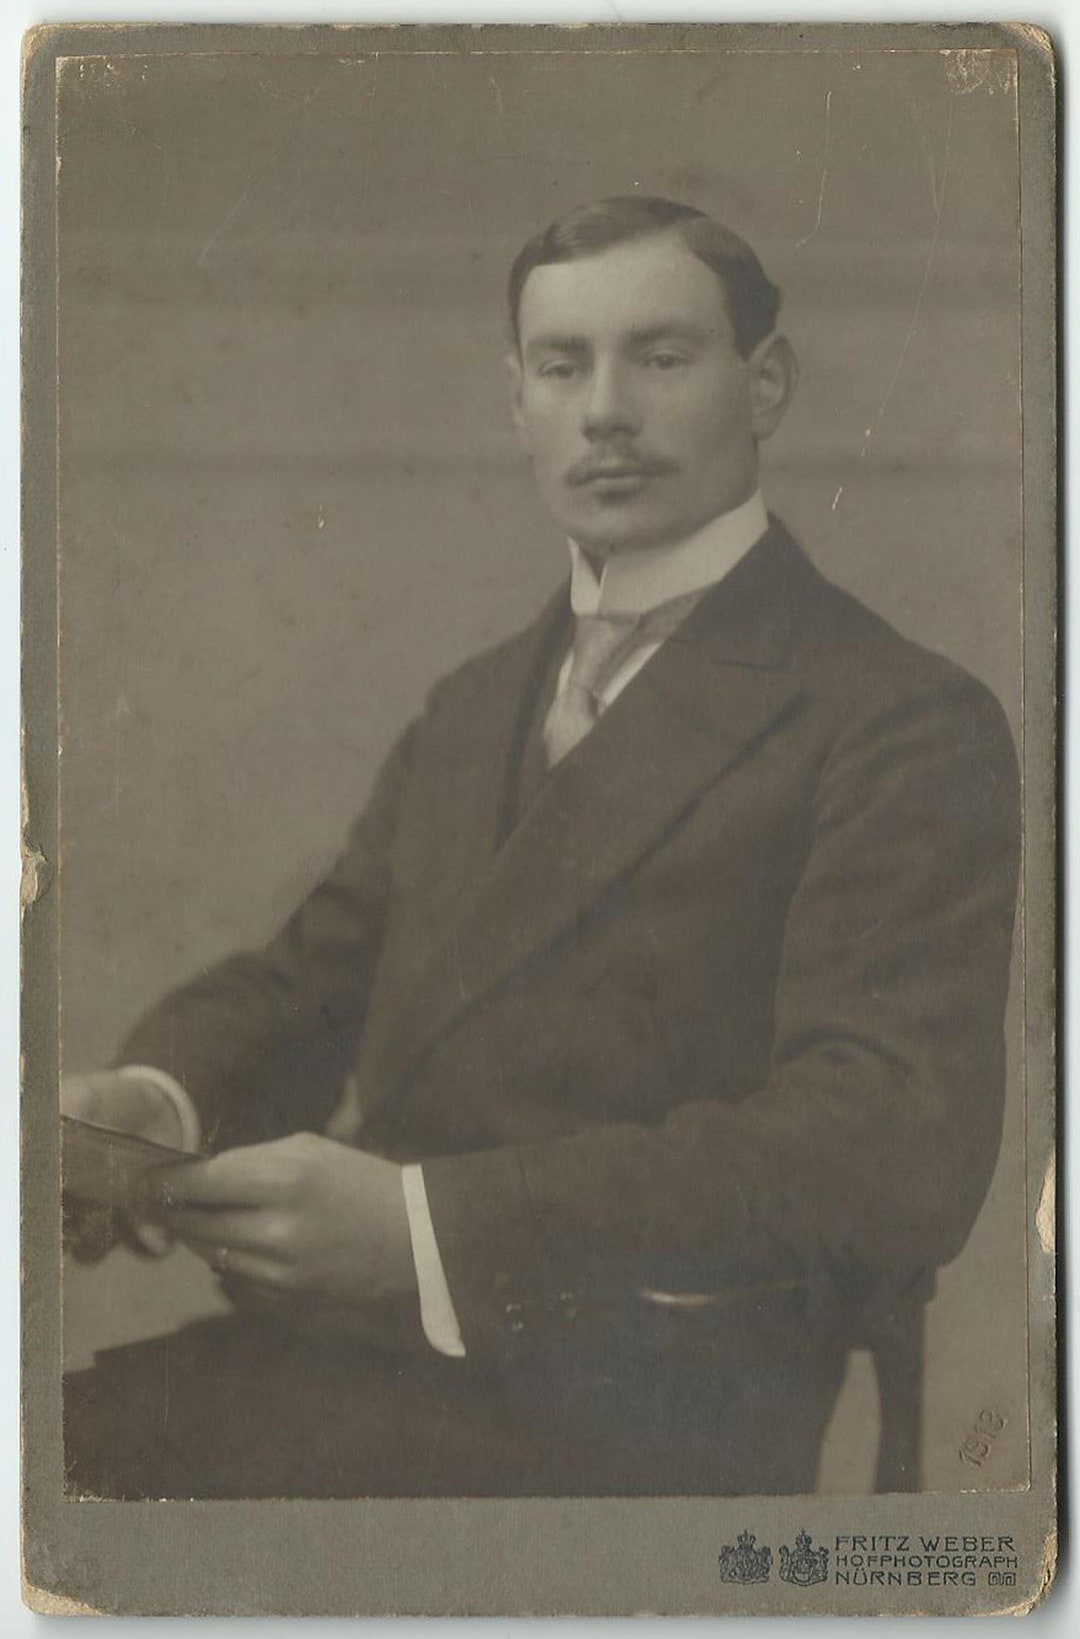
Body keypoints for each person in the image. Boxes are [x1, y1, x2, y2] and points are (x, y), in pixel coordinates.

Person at [62, 195, 1020, 1500]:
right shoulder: (474, 705)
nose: (605, 410)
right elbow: (311, 982)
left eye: (661, 356)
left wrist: (430, 1232)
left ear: (767, 381)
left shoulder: (894, 715)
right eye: (564, 367)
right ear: (518, 400)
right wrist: (149, 1099)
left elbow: (881, 1150)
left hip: (644, 1419)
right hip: (354, 1365)